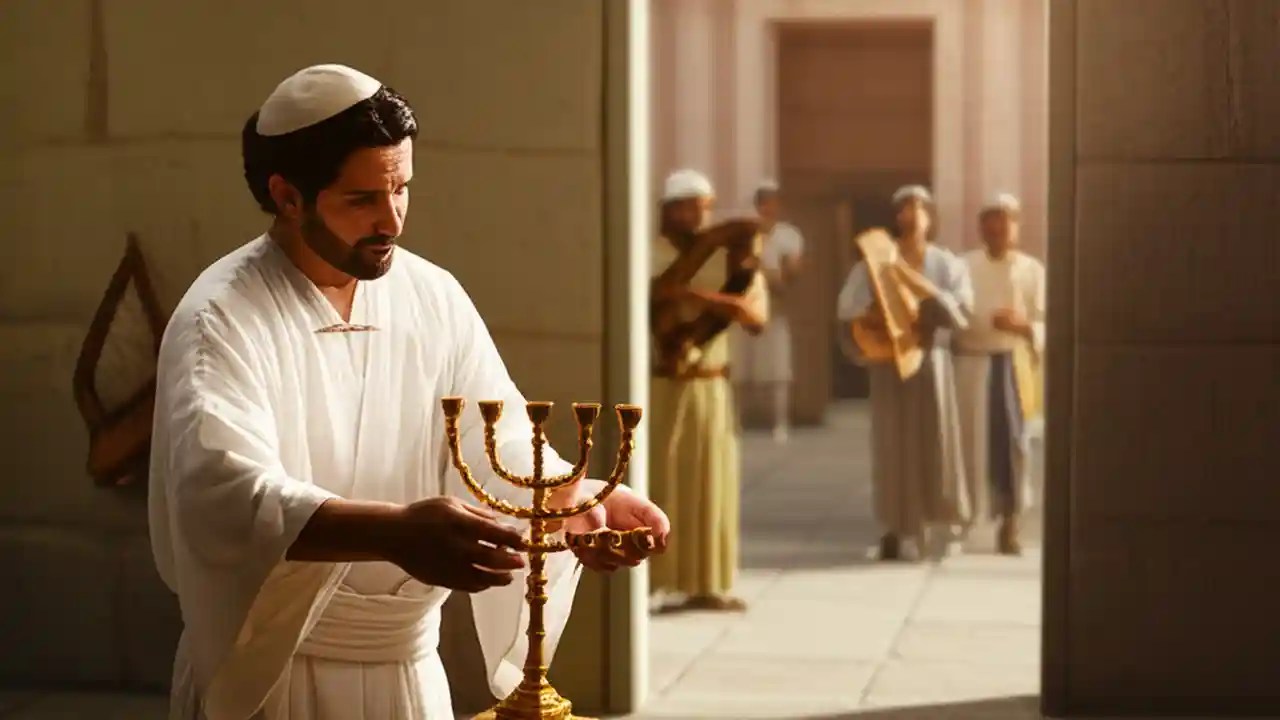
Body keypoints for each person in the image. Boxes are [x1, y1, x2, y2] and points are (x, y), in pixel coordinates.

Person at [147, 64, 670, 720]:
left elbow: (499, 435)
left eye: (402, 189)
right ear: (287, 195)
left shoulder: (431, 295)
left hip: (407, 674)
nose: (391, 219)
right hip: (275, 673)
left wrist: (568, 495)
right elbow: (221, 493)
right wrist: (392, 531)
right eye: (361, 199)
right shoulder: (220, 316)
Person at [649, 169, 767, 611]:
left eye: (702, 206)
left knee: (712, 483)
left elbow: (755, 318)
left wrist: (709, 300)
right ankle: (654, 581)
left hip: (712, 384)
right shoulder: (649, 252)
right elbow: (653, 300)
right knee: (663, 482)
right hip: (663, 384)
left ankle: (706, 585)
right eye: (686, 205)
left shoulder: (727, 260)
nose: (695, 214)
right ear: (670, 209)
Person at [835, 185, 972, 561]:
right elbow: (848, 306)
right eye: (904, 209)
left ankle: (939, 524)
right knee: (892, 443)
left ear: (931, 216)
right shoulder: (874, 263)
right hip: (888, 362)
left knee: (937, 440)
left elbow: (962, 307)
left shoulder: (946, 263)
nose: (911, 215)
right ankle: (896, 528)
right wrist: (874, 314)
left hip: (932, 362)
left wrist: (930, 304)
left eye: (918, 208)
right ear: (896, 218)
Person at [953, 193, 1046, 555]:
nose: (997, 229)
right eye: (990, 221)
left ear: (1016, 226)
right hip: (972, 364)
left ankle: (1011, 524)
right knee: (970, 446)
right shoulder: (963, 267)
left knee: (1015, 447)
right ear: (981, 228)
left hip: (1012, 363)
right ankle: (967, 524)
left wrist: (1022, 326)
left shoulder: (1032, 270)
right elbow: (953, 314)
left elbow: (1045, 321)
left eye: (1005, 221)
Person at [736, 180, 805, 443]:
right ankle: (737, 423)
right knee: (741, 371)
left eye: (772, 202)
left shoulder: (789, 236)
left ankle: (780, 423)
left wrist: (765, 271)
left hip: (774, 309)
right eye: (763, 202)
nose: (768, 208)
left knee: (778, 371)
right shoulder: (745, 233)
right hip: (745, 308)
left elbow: (790, 274)